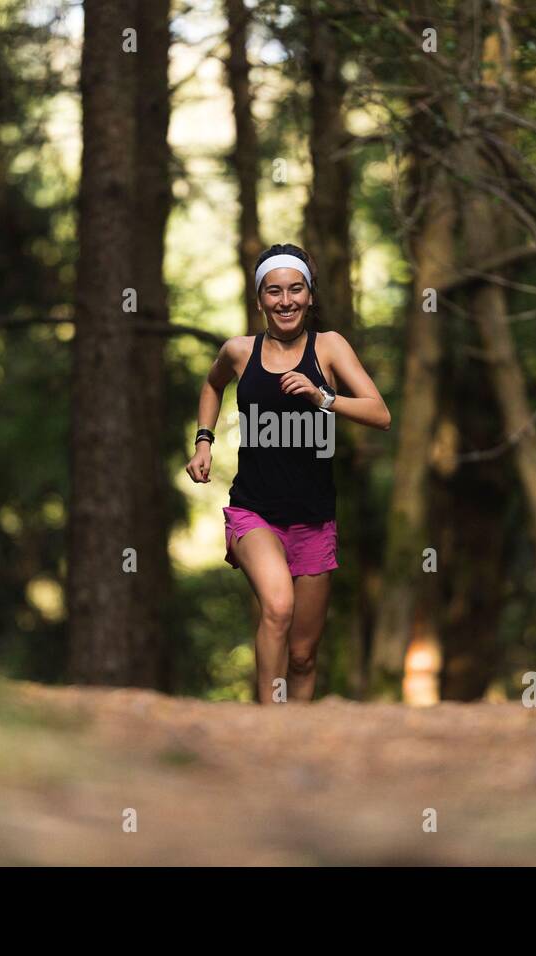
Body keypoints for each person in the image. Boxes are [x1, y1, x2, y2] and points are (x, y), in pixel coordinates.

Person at [185, 243, 391, 704]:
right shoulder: (239, 352)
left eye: (295, 289)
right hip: (254, 513)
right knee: (277, 607)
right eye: (273, 291)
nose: (285, 301)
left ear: (310, 295)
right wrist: (204, 441)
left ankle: (294, 737)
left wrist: (324, 398)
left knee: (303, 654)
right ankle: (267, 723)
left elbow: (381, 414)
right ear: (260, 299)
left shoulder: (330, 348)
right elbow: (212, 385)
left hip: (314, 520)